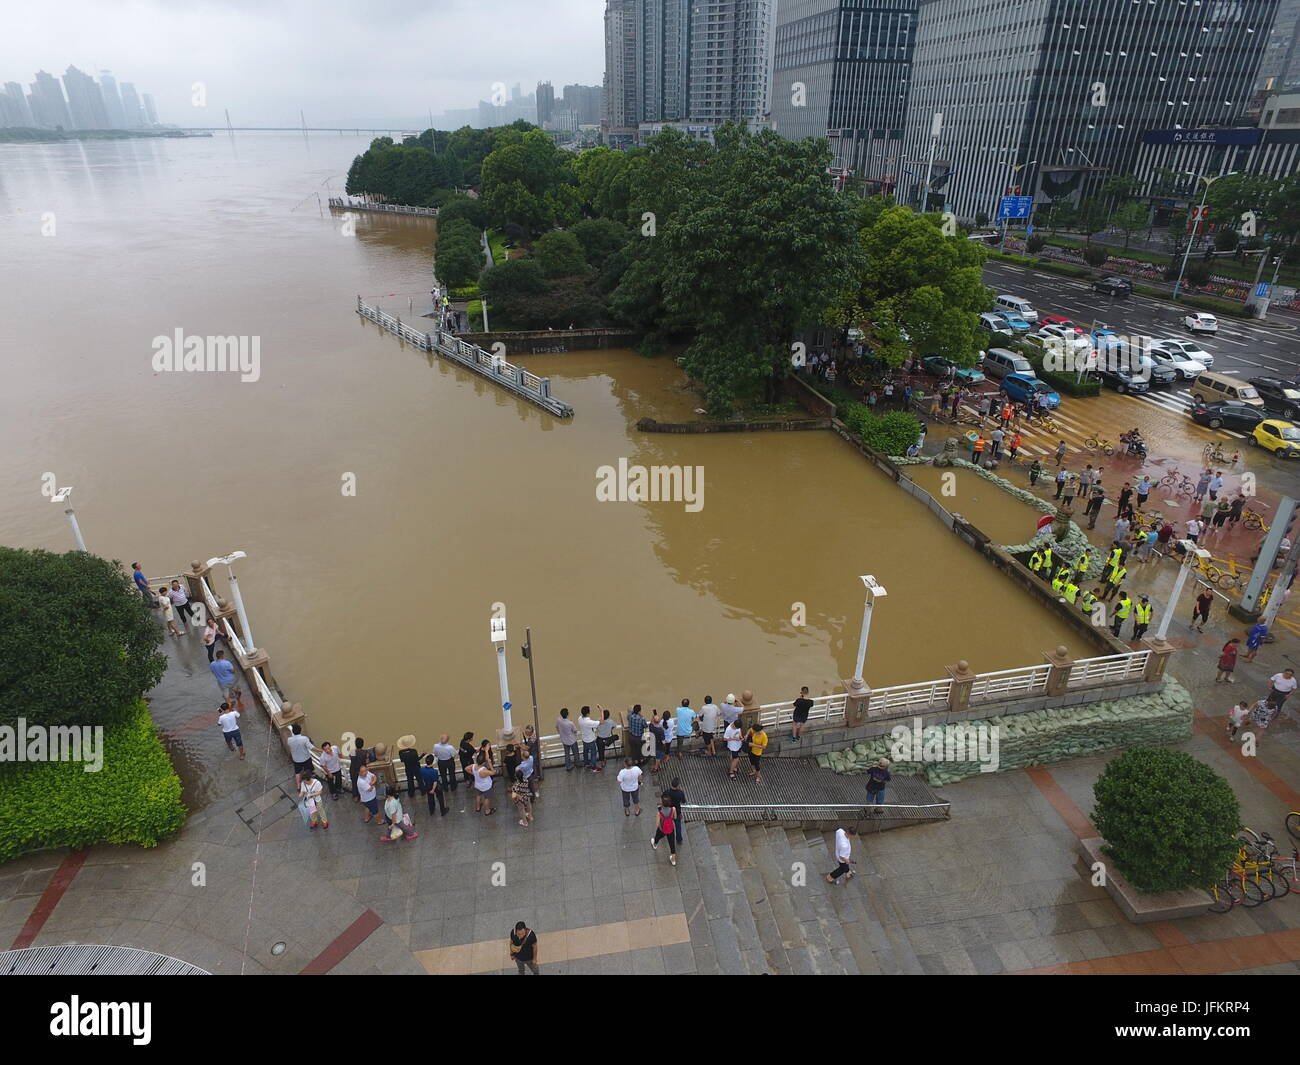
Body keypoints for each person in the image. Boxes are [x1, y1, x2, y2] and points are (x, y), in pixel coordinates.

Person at [651, 795, 678, 866]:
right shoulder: (673, 809)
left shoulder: (659, 813)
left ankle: (655, 844)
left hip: (662, 829)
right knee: (672, 844)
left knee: (657, 837)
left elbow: (657, 824)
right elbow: (675, 817)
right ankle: (673, 860)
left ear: (662, 803)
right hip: (671, 829)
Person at [287, 724, 316, 789]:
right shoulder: (304, 739)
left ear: (293, 732)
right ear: (300, 731)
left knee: (297, 772)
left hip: (296, 759)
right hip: (305, 758)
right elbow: (311, 748)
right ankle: (308, 781)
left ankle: (298, 786)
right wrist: (321, 751)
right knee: (307, 770)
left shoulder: (289, 740)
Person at [665, 777, 686, 846]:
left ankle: (665, 833)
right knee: (678, 826)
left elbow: (662, 799)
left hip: (668, 811)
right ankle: (679, 839)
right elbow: (683, 801)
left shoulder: (667, 792)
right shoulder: (680, 793)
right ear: (677, 785)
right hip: (677, 812)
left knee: (667, 823)